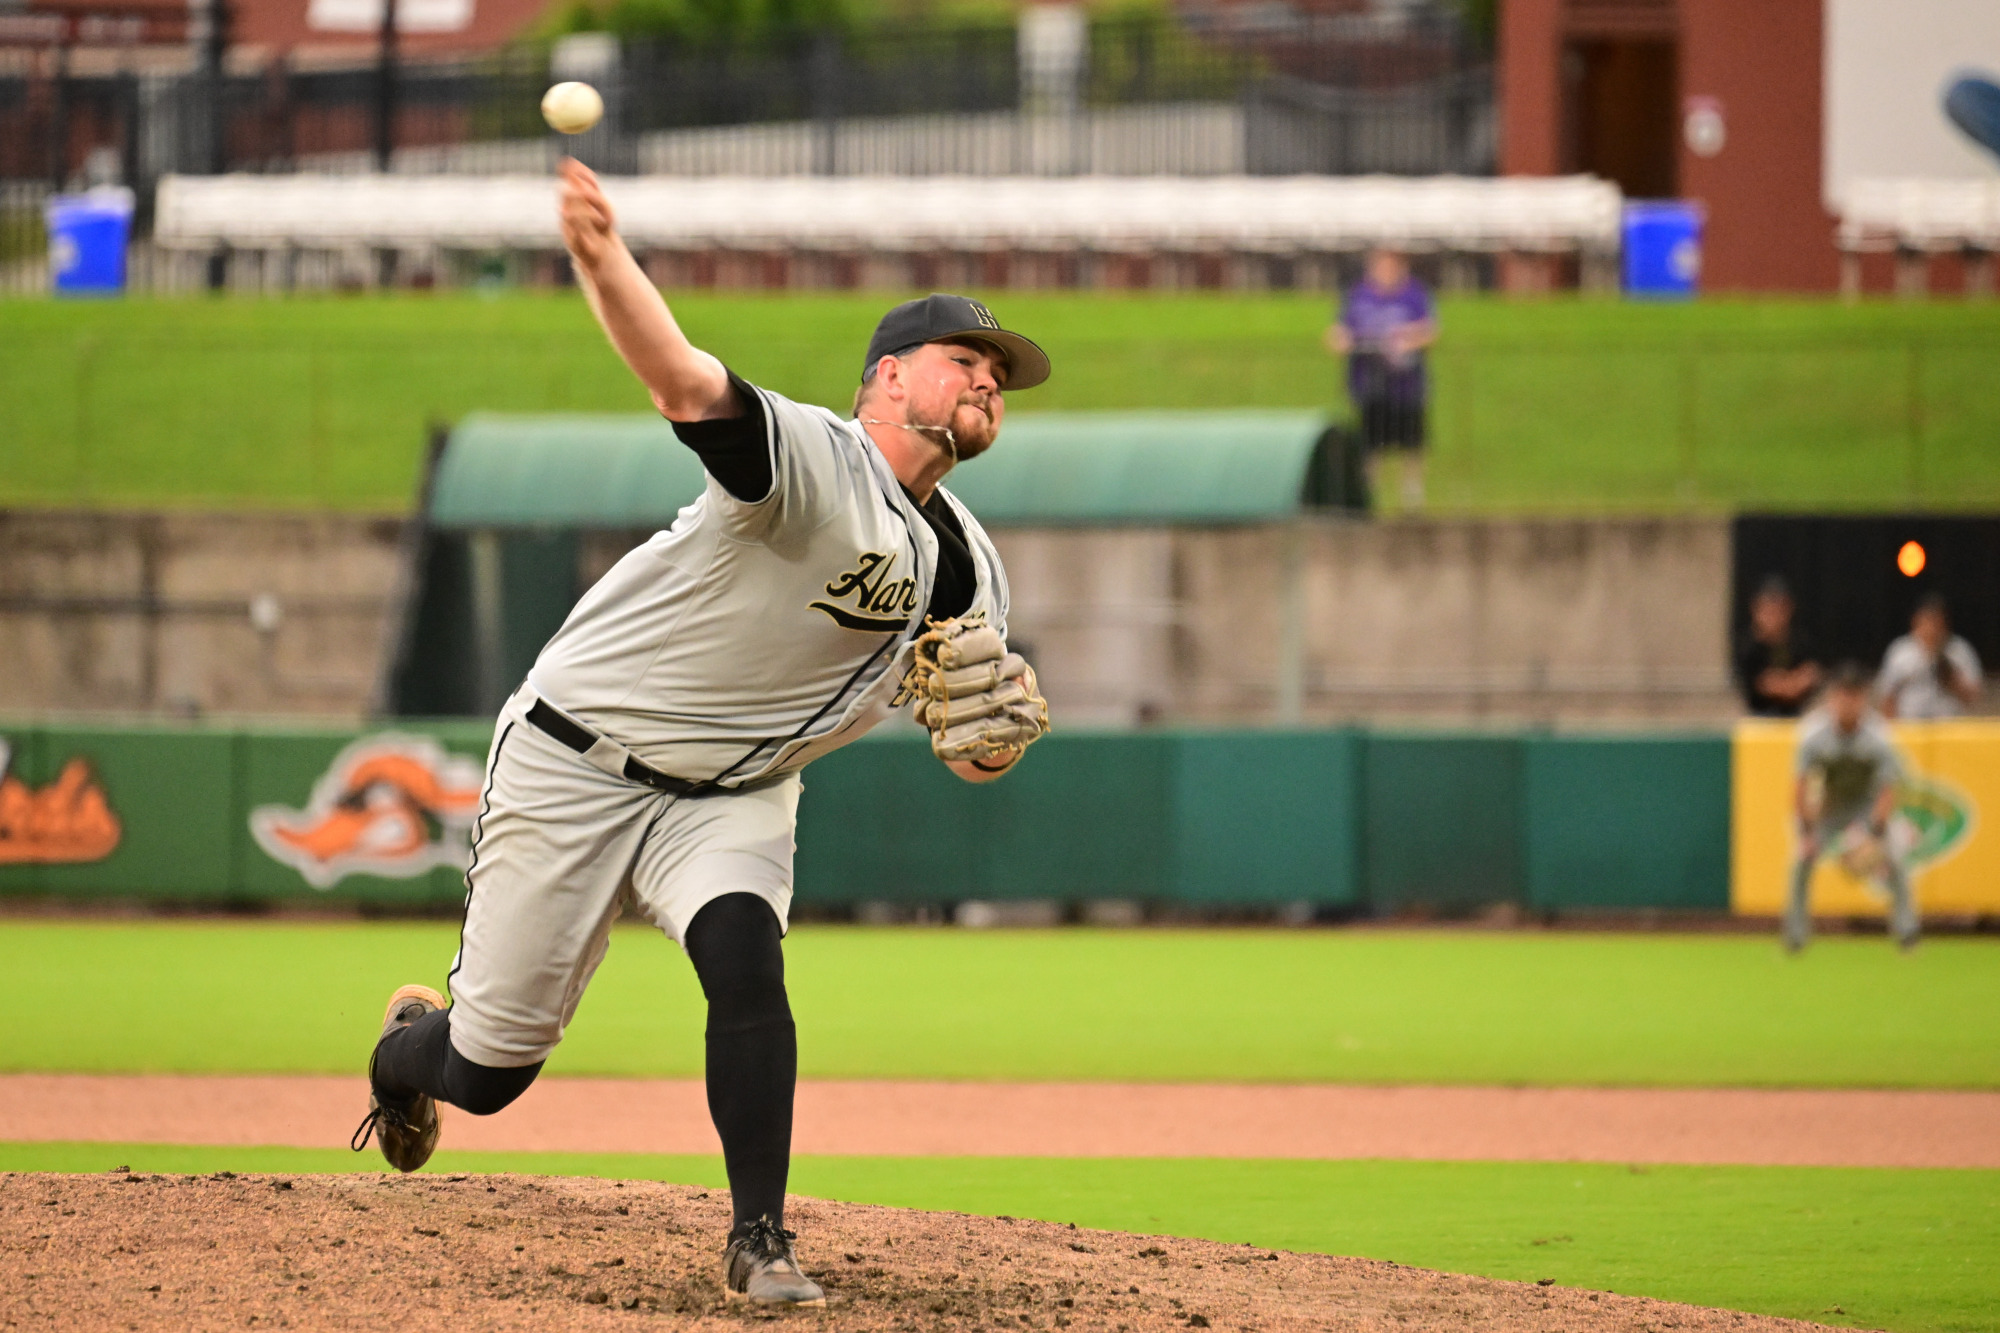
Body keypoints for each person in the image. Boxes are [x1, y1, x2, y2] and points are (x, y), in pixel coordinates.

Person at [349, 159, 1052, 1307]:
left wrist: (983, 742)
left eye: (999, 376)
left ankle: (758, 1239)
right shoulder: (815, 463)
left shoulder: (966, 562)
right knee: (488, 1074)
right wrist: (598, 259)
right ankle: (403, 1050)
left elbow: (972, 751)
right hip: (579, 754)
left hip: (733, 791)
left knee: (742, 954)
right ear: (886, 377)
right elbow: (681, 380)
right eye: (964, 360)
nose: (987, 381)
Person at [1787, 662, 1916, 953]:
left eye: (1854, 694)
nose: (1848, 701)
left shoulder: (1879, 734)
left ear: (1864, 698)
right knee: (1801, 861)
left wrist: (1876, 831)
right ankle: (1795, 936)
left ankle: (1907, 932)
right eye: (1842, 694)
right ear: (1831, 697)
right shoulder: (1813, 732)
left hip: (1866, 806)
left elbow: (1887, 789)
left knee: (1894, 858)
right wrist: (1807, 832)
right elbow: (1800, 786)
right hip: (1830, 807)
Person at [1324, 247, 1437, 511]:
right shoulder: (1358, 295)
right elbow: (1338, 332)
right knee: (1369, 443)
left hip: (1406, 384)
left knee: (1411, 441)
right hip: (1369, 383)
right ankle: (1367, 495)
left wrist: (1408, 340)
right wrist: (1342, 342)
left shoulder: (1414, 295)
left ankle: (1412, 496)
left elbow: (1430, 331)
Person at [1877, 592, 1983, 719]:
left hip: (1950, 730)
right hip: (1910, 729)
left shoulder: (1958, 650)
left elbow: (1974, 697)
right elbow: (1886, 697)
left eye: (1936, 620)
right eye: (1927, 619)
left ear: (1944, 622)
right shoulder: (1901, 651)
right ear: (1915, 620)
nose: (1931, 627)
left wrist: (1950, 676)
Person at [1734, 575, 1820, 717]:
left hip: (1796, 718)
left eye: (1779, 609)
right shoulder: (1748, 648)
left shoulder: (1801, 642)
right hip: (1761, 720)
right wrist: (1792, 682)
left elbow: (1812, 674)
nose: (1774, 616)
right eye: (1768, 610)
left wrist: (1790, 683)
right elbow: (1766, 685)